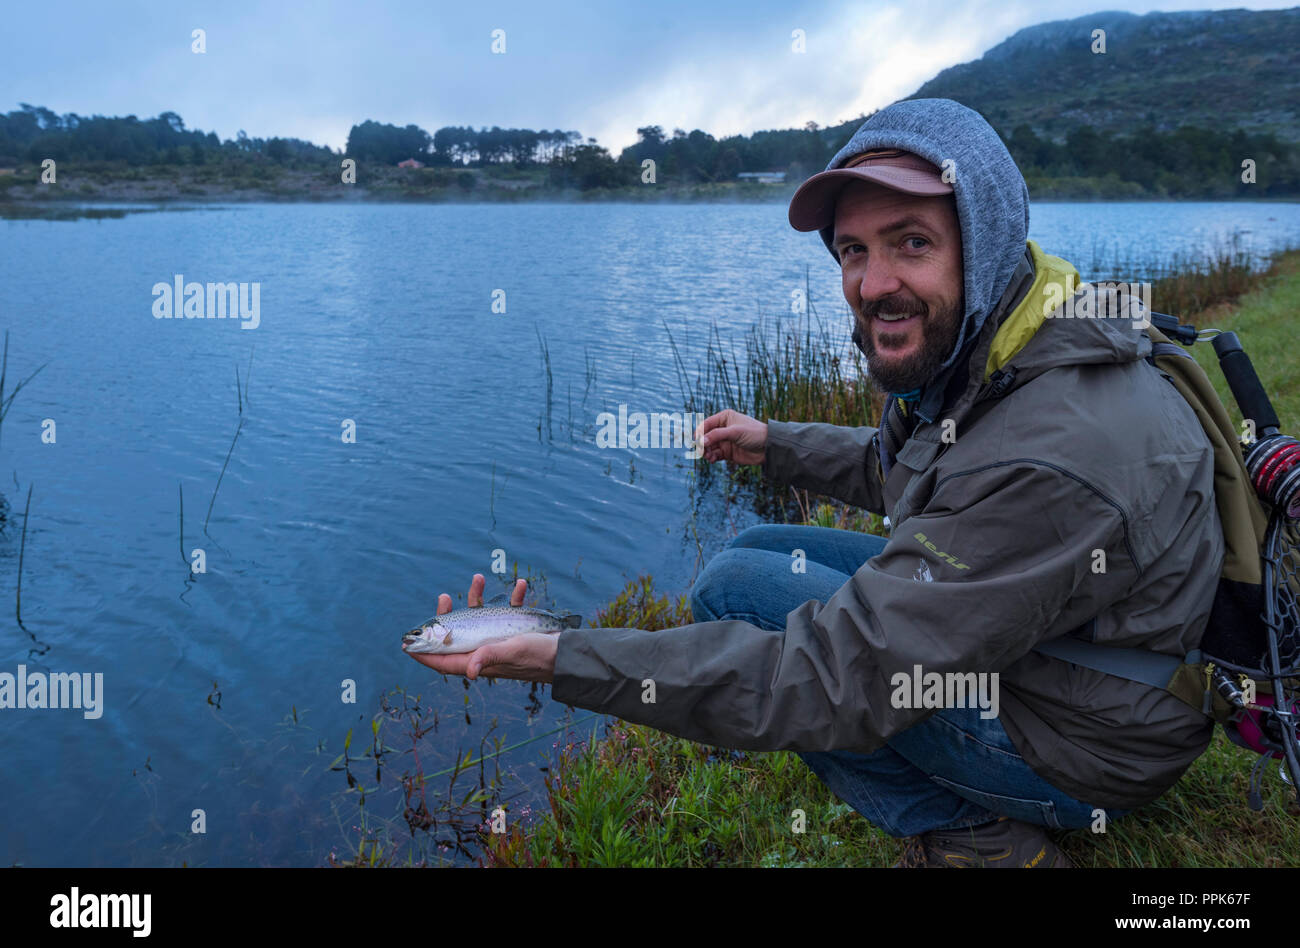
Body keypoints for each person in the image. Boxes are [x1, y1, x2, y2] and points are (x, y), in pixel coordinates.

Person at [409, 98, 1225, 868]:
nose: (872, 285)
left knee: (751, 609)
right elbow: (908, 467)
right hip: (1071, 655)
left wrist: (563, 658)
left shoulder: (1052, 451)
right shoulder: (1010, 337)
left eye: (912, 242)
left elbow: (837, 681)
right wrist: (776, 444)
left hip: (1092, 744)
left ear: (986, 239)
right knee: (753, 555)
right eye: (854, 251)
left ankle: (975, 836)